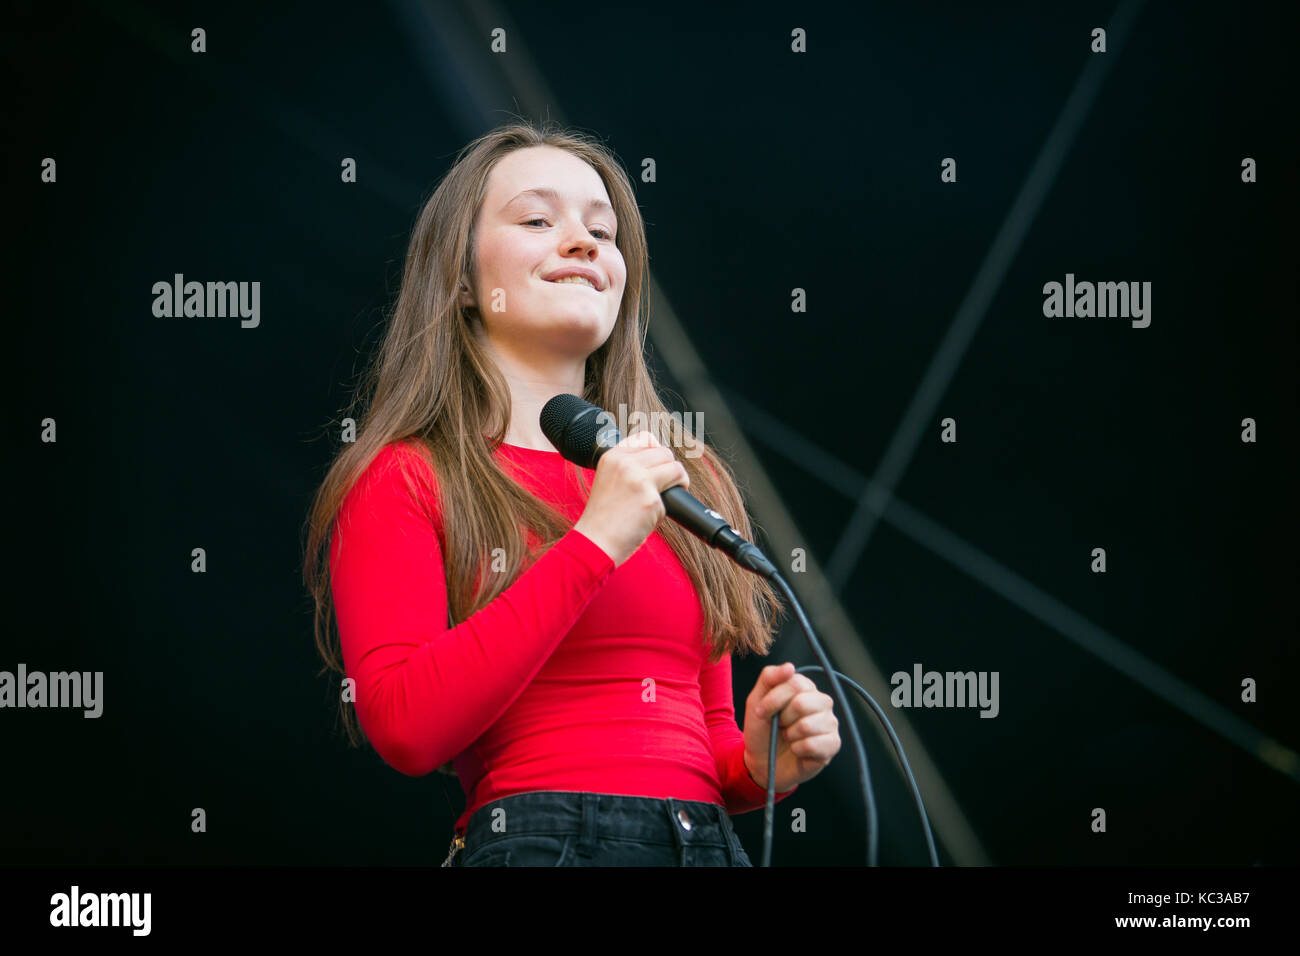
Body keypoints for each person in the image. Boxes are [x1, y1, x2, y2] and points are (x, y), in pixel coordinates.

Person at [302, 120, 841, 866]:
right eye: (536, 219)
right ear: (461, 280)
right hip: (540, 839)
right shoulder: (406, 475)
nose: (586, 243)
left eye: (604, 230)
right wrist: (594, 543)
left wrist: (758, 767)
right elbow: (404, 726)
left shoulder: (681, 477)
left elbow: (705, 732)